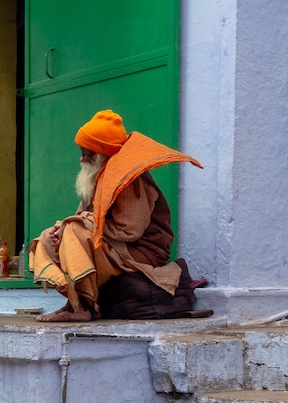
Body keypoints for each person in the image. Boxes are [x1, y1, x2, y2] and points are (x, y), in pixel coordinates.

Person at [29, 109, 202, 322]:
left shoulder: (129, 179)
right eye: (82, 151)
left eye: (88, 153)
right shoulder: (96, 176)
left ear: (103, 153)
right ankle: (75, 303)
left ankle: (84, 307)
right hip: (113, 246)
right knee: (47, 238)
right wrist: (62, 228)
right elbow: (81, 217)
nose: (82, 159)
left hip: (139, 252)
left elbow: (129, 230)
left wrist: (74, 225)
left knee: (74, 231)